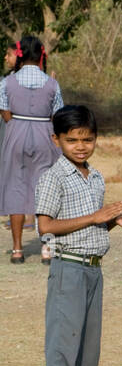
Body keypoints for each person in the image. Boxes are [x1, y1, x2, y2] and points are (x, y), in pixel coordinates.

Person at [36, 105, 122, 366]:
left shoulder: (94, 176)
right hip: (68, 268)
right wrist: (95, 216)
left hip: (93, 269)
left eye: (88, 139)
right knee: (62, 350)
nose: (81, 146)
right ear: (57, 140)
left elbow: (94, 221)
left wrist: (115, 221)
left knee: (87, 350)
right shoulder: (53, 177)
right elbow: (46, 226)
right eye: (72, 140)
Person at [1, 36, 63, 264]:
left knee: (16, 189)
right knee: (45, 190)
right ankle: (47, 247)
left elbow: (5, 112)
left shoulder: (7, 82)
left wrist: (19, 124)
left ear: (19, 55)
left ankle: (17, 249)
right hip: (44, 133)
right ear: (41, 55)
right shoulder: (51, 83)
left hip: (16, 132)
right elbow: (58, 114)